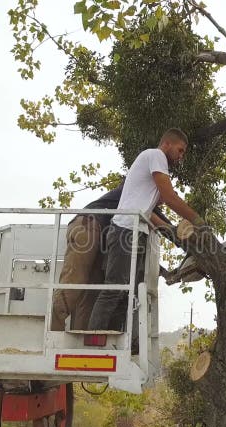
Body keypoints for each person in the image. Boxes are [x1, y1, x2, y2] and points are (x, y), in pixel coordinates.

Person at [87, 128, 204, 334]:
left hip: (133, 231)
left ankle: (114, 341)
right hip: (124, 229)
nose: (181, 156)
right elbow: (170, 198)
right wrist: (197, 220)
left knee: (128, 293)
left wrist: (176, 233)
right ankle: (93, 341)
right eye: (180, 150)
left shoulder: (143, 195)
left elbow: (152, 217)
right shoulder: (156, 155)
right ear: (167, 144)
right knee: (115, 288)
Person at [50, 179, 171, 331]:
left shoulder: (132, 200)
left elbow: (131, 255)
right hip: (88, 226)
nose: (164, 201)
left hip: (99, 237)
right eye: (163, 192)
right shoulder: (135, 194)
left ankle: (81, 346)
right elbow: (163, 224)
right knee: (73, 283)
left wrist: (163, 271)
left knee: (89, 295)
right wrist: (185, 239)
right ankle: (54, 336)